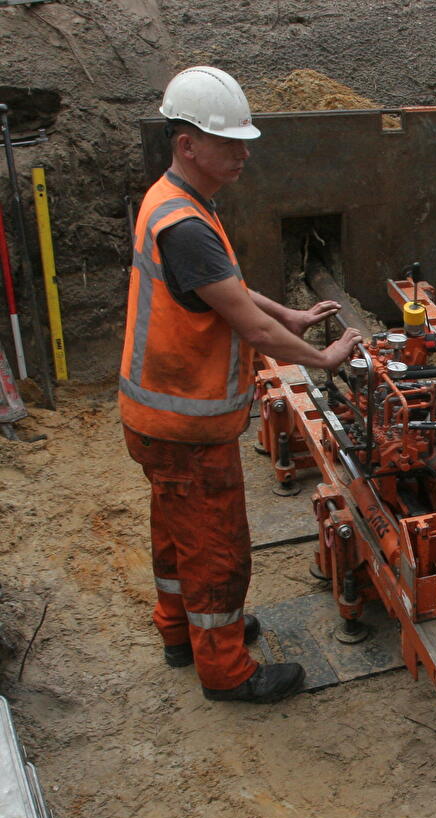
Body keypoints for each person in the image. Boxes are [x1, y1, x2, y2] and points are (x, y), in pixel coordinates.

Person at [119, 66, 361, 703]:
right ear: (187, 144)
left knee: (175, 533)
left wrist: (291, 313)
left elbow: (226, 290)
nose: (243, 153)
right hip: (187, 427)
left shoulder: (175, 203)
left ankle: (180, 632)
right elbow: (248, 325)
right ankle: (226, 669)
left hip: (155, 419)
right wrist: (325, 357)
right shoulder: (187, 224)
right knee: (217, 550)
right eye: (228, 143)